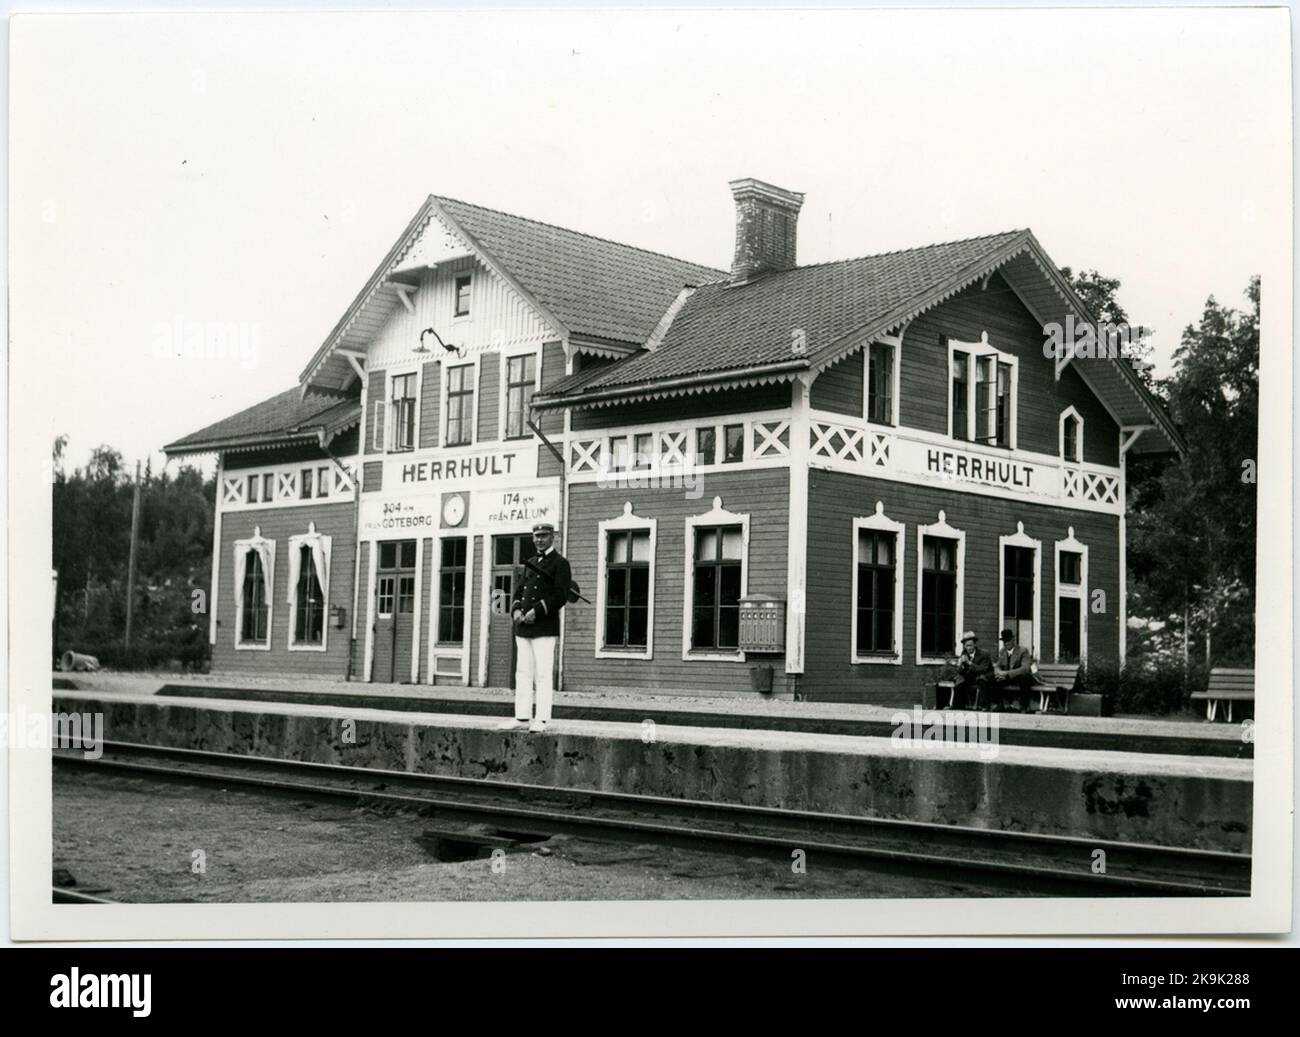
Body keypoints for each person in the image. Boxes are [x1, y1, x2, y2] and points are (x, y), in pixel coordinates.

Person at [499, 522, 571, 733]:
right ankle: (521, 717)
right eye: (536, 536)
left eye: (543, 535)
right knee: (522, 672)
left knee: (542, 673)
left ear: (552, 537)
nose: (539, 539)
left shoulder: (560, 563)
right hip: (523, 627)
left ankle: (541, 719)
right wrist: (516, 611)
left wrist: (536, 611)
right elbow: (519, 591)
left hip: (544, 627)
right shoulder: (530, 562)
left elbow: (560, 595)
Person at [993, 627, 1035, 713]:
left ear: (1013, 640)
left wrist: (1007, 673)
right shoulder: (1002, 651)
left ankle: (1023, 706)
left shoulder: (1023, 651)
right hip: (1007, 678)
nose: (1006, 643)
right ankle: (999, 705)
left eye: (1008, 641)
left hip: (1018, 677)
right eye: (1004, 641)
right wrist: (999, 673)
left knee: (1025, 677)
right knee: (994, 678)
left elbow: (1025, 668)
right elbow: (997, 665)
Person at [952, 631, 993, 710]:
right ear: (964, 646)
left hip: (984, 676)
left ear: (975, 644)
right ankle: (957, 706)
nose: (969, 648)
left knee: (982, 681)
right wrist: (961, 665)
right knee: (959, 683)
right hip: (971, 677)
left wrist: (969, 663)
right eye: (967, 646)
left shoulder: (984, 654)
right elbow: (960, 671)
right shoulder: (964, 654)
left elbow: (983, 669)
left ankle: (984, 706)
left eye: (971, 645)